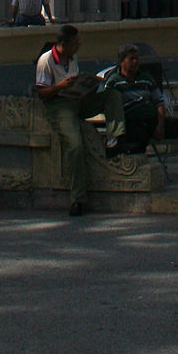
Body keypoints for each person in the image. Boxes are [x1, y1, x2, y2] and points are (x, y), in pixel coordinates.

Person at [34, 24, 128, 215]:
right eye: (75, 43)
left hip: (77, 99)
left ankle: (114, 139)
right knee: (75, 147)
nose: (78, 46)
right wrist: (60, 86)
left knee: (112, 95)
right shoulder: (46, 60)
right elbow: (42, 92)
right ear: (64, 44)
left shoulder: (73, 58)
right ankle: (78, 198)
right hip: (60, 105)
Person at [103, 44, 178, 184]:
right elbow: (110, 107)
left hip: (152, 120)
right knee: (136, 140)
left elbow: (159, 103)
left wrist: (160, 125)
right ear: (122, 62)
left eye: (137, 59)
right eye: (131, 59)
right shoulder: (114, 82)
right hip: (131, 123)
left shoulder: (146, 78)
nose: (135, 62)